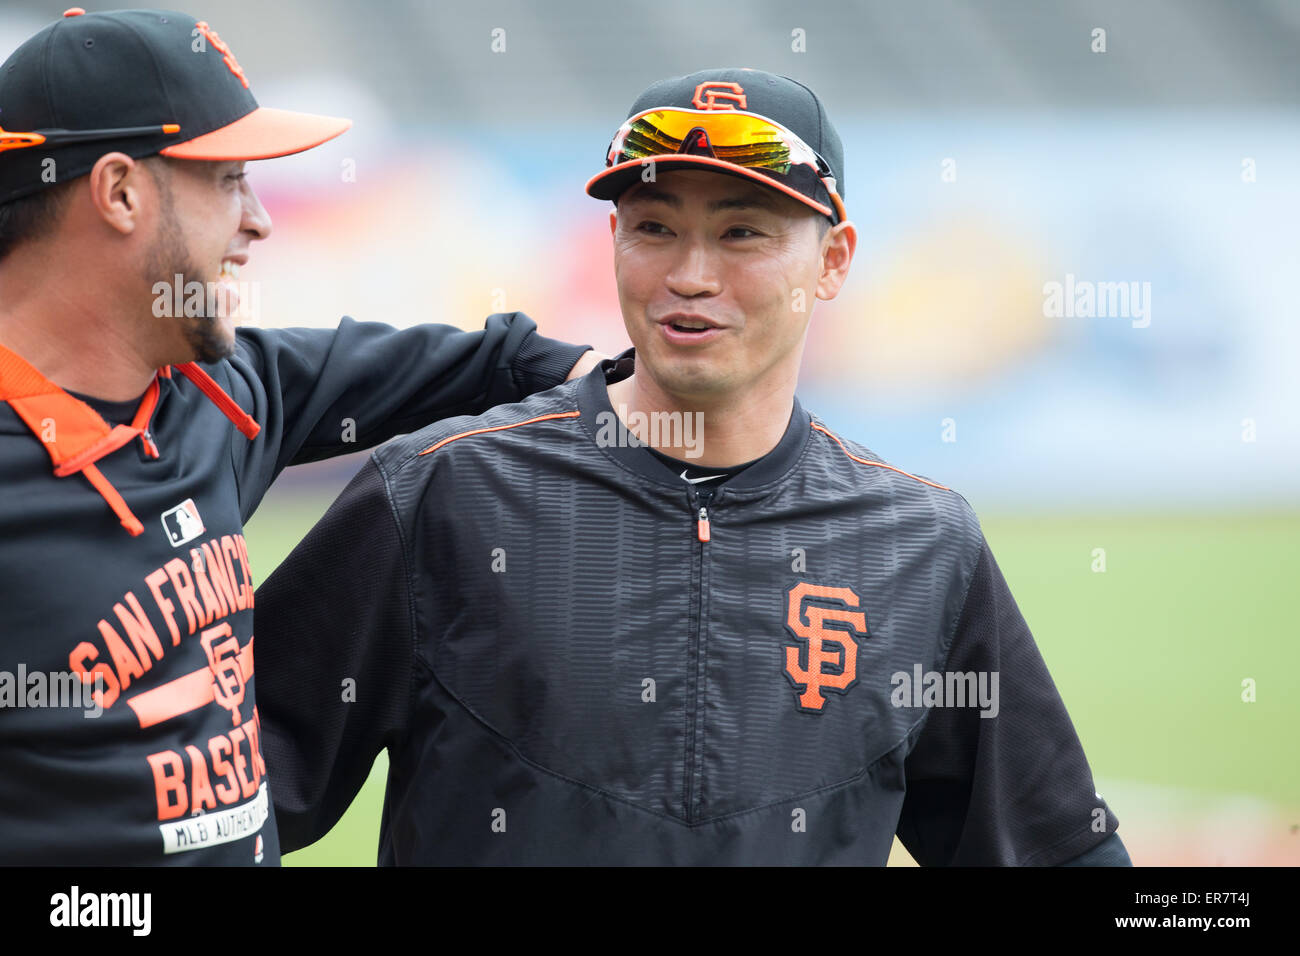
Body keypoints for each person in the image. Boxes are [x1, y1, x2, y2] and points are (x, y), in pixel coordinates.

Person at [254, 68, 1132, 866]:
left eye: (742, 232)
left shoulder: (923, 545)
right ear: (611, 242)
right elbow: (217, 807)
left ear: (833, 262)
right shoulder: (439, 495)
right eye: (654, 229)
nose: (690, 274)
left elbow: (1056, 853)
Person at [0, 8, 599, 865]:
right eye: (228, 180)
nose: (258, 220)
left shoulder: (217, 395)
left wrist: (598, 380)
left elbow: (481, 363)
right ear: (120, 192)